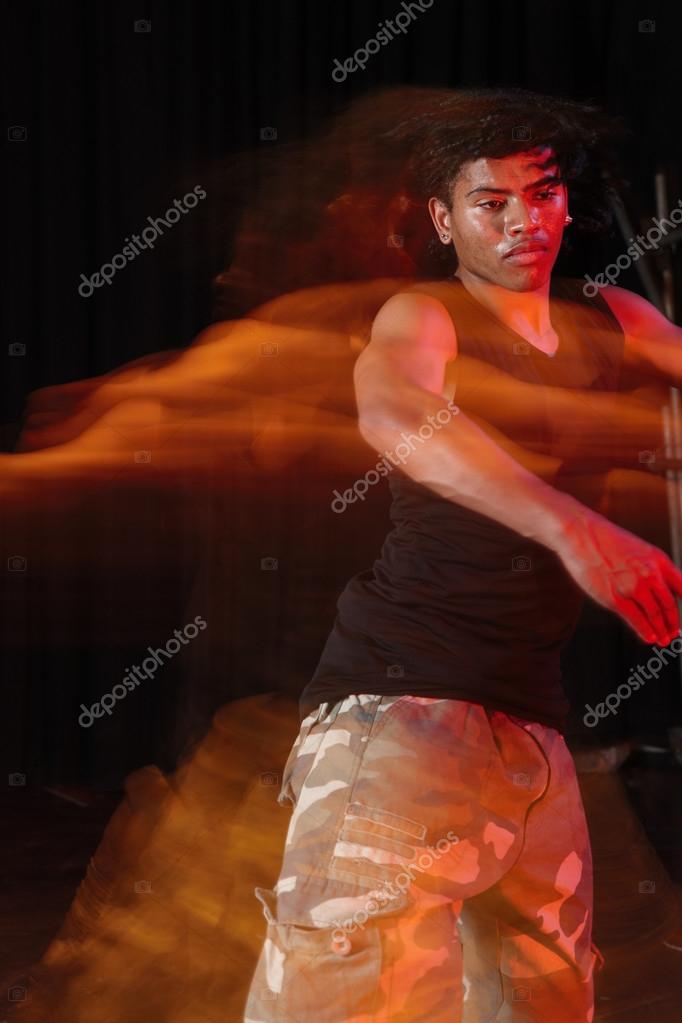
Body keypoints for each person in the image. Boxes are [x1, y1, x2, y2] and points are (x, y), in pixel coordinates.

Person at [238, 86, 682, 1022]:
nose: (527, 221)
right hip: (402, 713)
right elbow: (397, 414)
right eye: (493, 202)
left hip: (535, 738)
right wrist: (574, 525)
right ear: (443, 219)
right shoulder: (426, 314)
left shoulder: (614, 320)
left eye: (544, 194)